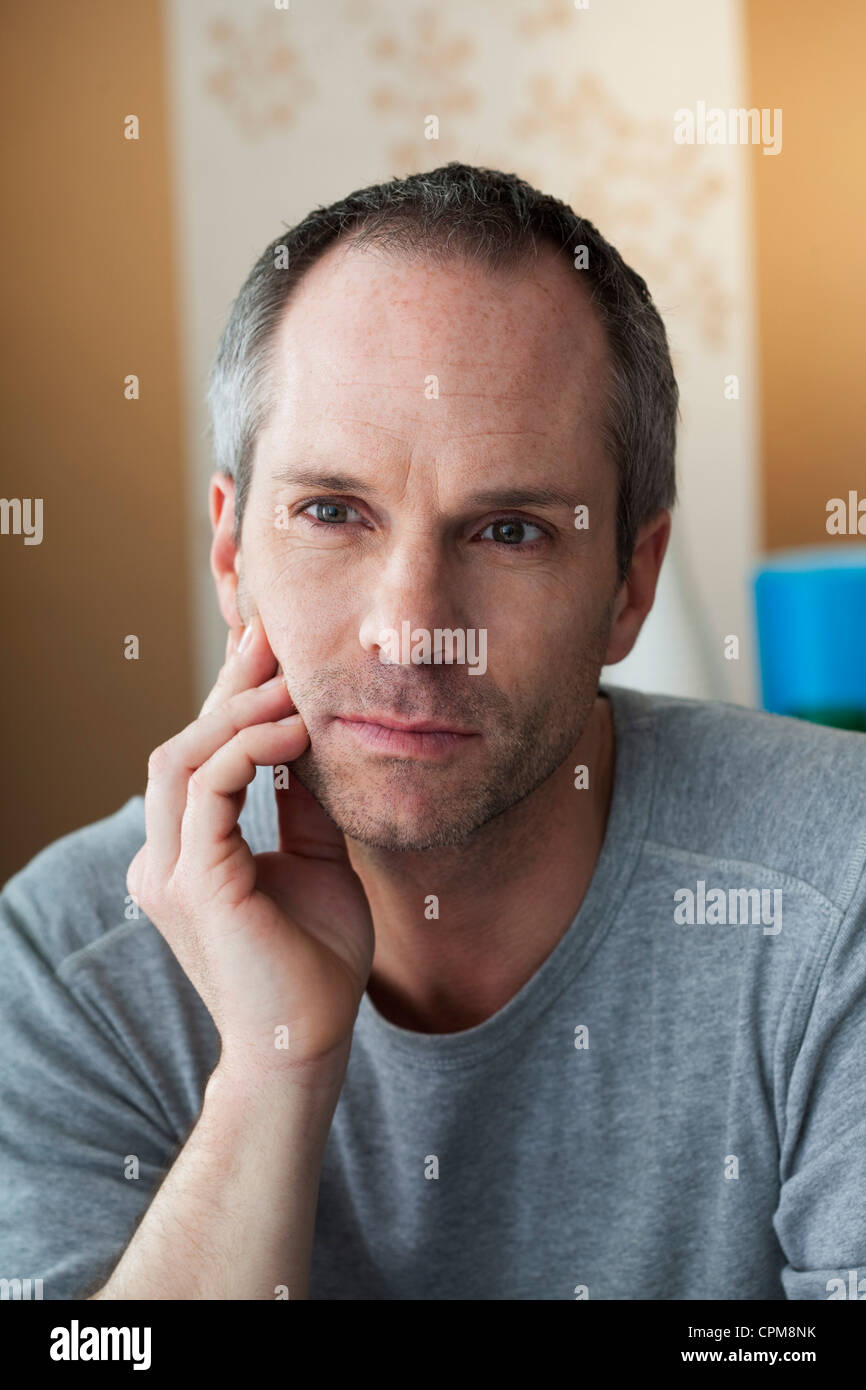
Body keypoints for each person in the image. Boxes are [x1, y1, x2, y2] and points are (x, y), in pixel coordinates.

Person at [1, 164, 864, 1302]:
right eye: (329, 512)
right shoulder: (66, 964)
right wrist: (273, 1075)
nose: (410, 633)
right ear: (229, 553)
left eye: (508, 530)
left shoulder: (833, 887)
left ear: (626, 584)